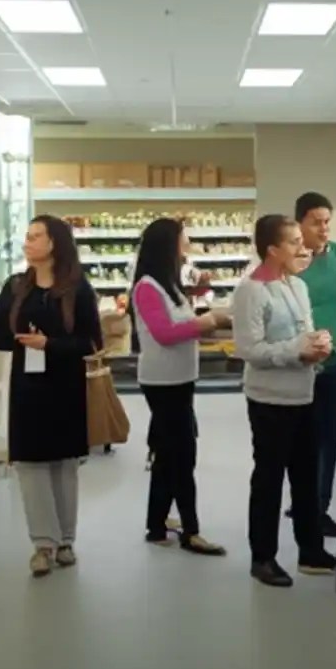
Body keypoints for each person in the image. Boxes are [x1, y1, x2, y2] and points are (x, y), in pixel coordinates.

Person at [0, 215, 103, 577]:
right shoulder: (15, 288)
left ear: (54, 243)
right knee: (30, 466)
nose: (27, 242)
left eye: (34, 237)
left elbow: (92, 342)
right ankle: (42, 544)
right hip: (27, 387)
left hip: (66, 385)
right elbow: (2, 338)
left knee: (64, 466)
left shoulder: (78, 290)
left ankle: (66, 541)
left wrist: (51, 344)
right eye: (26, 237)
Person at [232, 214, 336, 587]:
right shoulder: (251, 290)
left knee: (307, 477)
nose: (302, 247)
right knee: (270, 479)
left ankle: (311, 551)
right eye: (293, 241)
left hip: (303, 393)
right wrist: (296, 350)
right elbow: (250, 349)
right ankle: (263, 557)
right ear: (272, 249)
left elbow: (301, 331)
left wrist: (318, 344)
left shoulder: (296, 285)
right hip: (270, 400)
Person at [130, 218, 228, 556]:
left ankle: (157, 524)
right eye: (183, 238)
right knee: (183, 456)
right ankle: (191, 530)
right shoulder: (147, 286)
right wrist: (206, 322)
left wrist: (198, 306)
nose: (187, 243)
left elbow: (175, 321)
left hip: (179, 378)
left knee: (168, 454)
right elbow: (165, 333)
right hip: (163, 381)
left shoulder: (167, 283)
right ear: (168, 244)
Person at [292, 192, 336, 538]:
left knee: (329, 440)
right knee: (303, 441)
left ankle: (319, 508)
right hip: (300, 365)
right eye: (317, 222)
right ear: (300, 223)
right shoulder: (293, 261)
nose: (324, 228)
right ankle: (304, 503)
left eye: (327, 222)